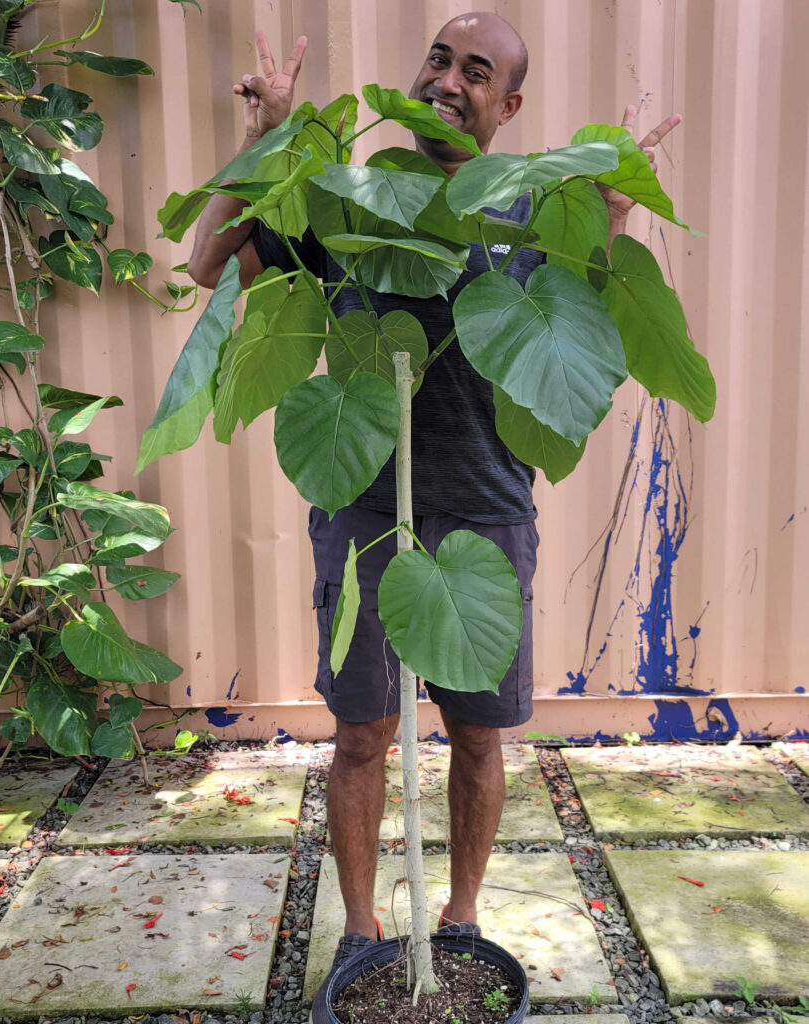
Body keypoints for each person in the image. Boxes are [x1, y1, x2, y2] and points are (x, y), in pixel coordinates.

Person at [187, 10, 681, 1009]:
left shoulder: (529, 210)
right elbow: (207, 261)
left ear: (510, 105)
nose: (448, 81)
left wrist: (607, 213)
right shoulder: (346, 195)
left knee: (479, 735)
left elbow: (568, 340)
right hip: (364, 504)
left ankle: (460, 918)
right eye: (439, 60)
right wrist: (266, 140)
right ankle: (361, 932)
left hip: (487, 509)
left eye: (477, 71)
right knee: (360, 735)